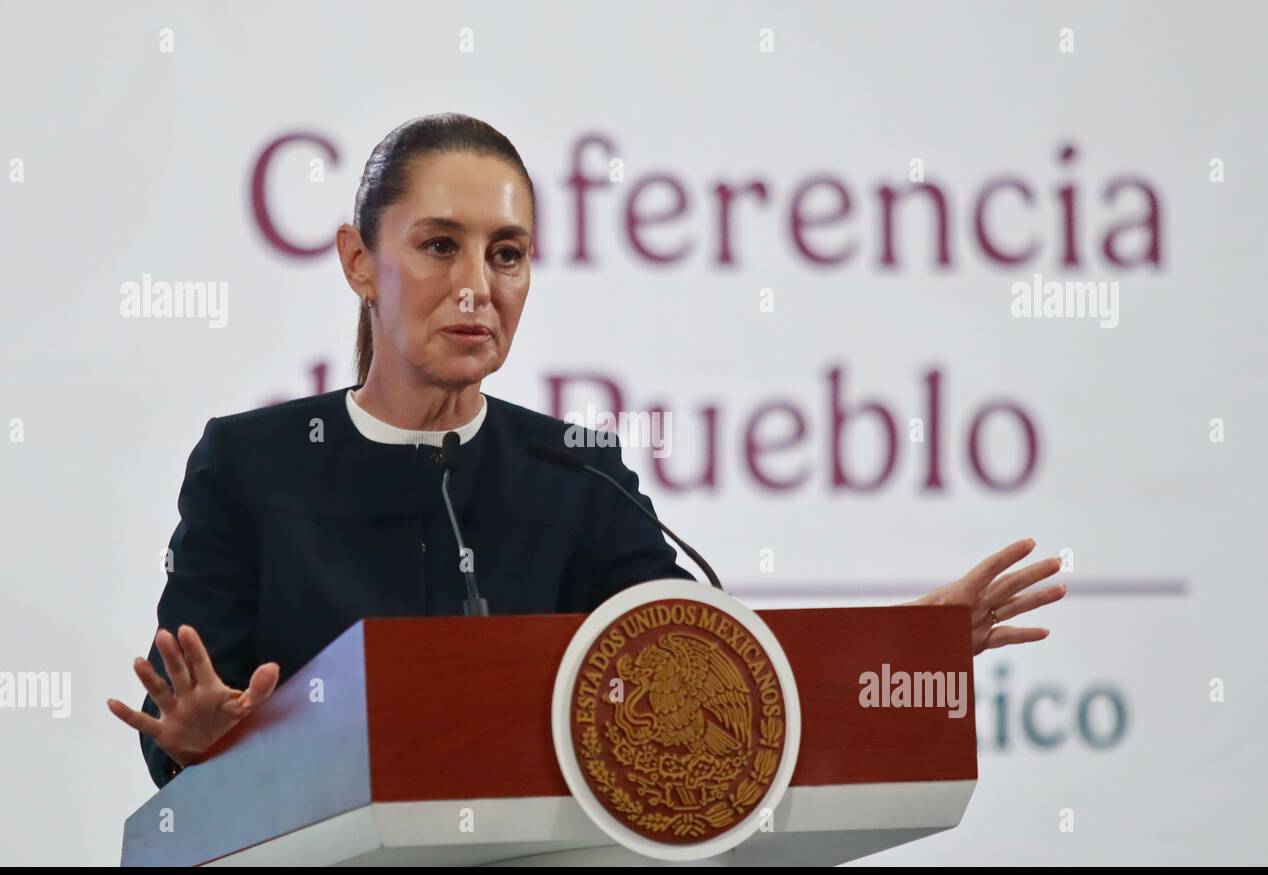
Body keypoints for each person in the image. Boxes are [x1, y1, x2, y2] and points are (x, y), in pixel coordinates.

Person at [107, 113, 1066, 789]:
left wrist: (900, 645)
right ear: (360, 262)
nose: (477, 284)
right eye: (439, 245)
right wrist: (195, 742)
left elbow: (708, 670)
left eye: (507, 252)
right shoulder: (253, 463)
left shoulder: (576, 468)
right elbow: (187, 727)